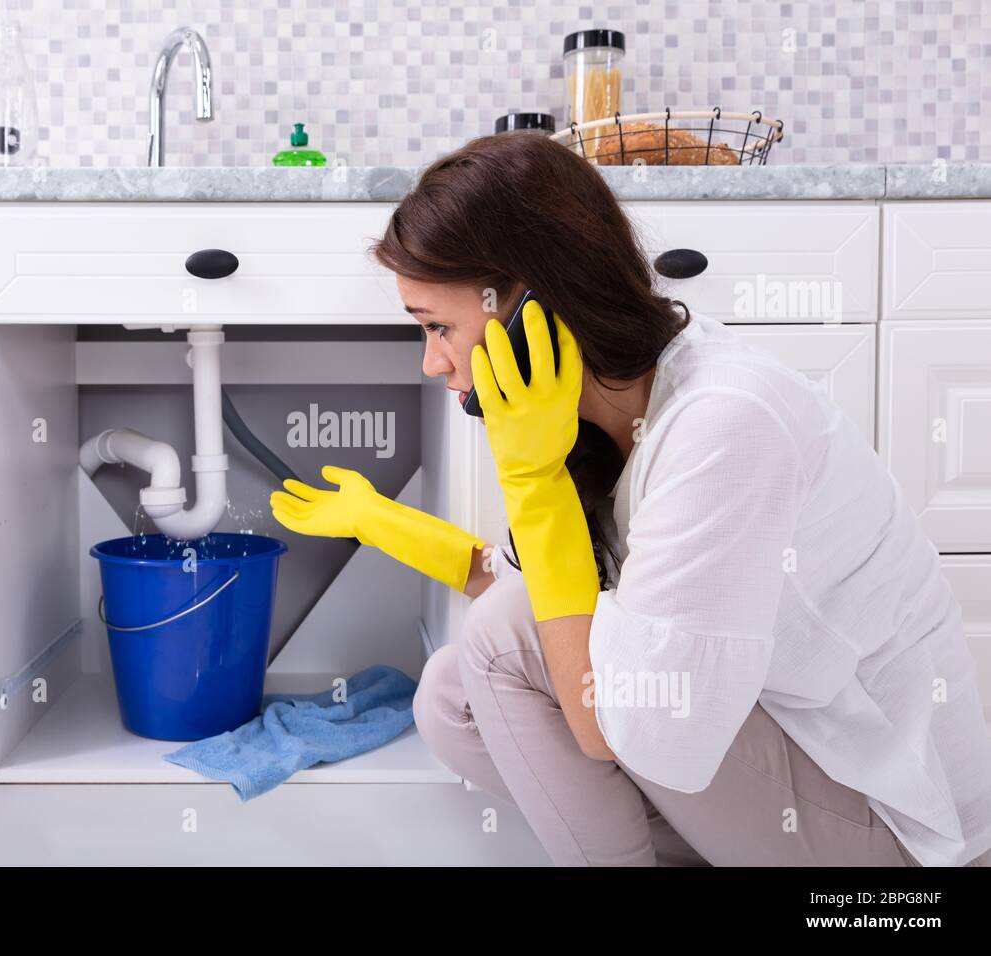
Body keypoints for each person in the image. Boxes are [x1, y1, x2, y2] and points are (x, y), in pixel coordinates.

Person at [270, 132, 991, 867]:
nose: (432, 362)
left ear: (534, 312)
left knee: (498, 645)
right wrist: (381, 519)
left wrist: (533, 483)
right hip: (772, 760)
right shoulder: (603, 414)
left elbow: (599, 723)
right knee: (452, 698)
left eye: (439, 326)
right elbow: (551, 605)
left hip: (894, 837)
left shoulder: (725, 423)